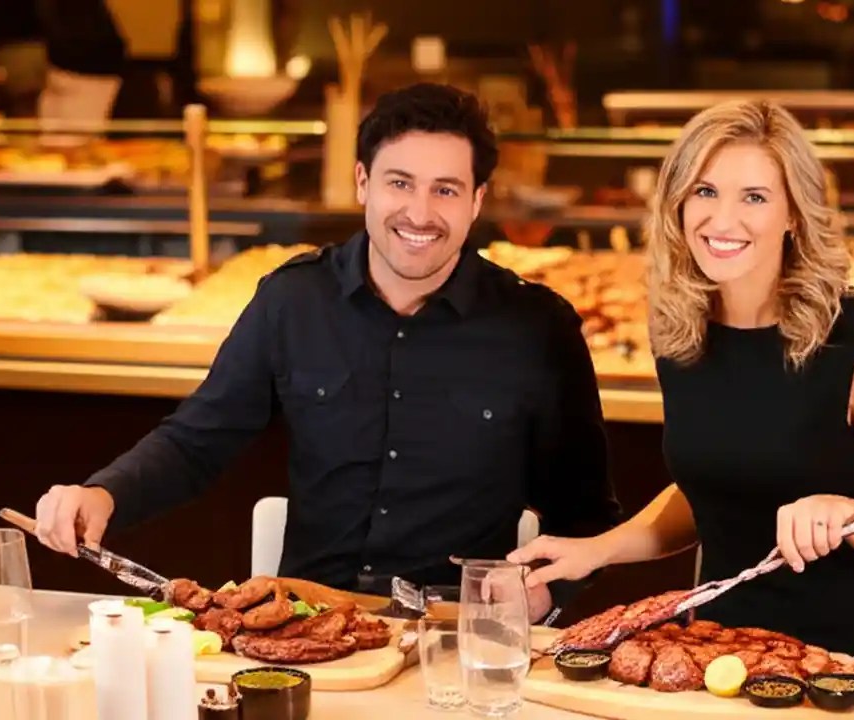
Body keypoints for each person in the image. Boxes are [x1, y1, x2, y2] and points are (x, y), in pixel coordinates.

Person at [32, 83, 621, 622]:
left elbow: (586, 517)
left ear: (477, 199)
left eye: (445, 189)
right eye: (399, 183)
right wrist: (104, 493)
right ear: (363, 181)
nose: (419, 213)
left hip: (454, 635)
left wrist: (546, 592)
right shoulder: (294, 298)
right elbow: (197, 441)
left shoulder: (537, 326)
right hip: (301, 628)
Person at [510, 100, 854, 660]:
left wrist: (848, 512)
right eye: (705, 191)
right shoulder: (681, 329)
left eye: (755, 198)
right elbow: (713, 490)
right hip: (718, 651)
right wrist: (597, 551)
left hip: (850, 663)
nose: (722, 220)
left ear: (794, 215)